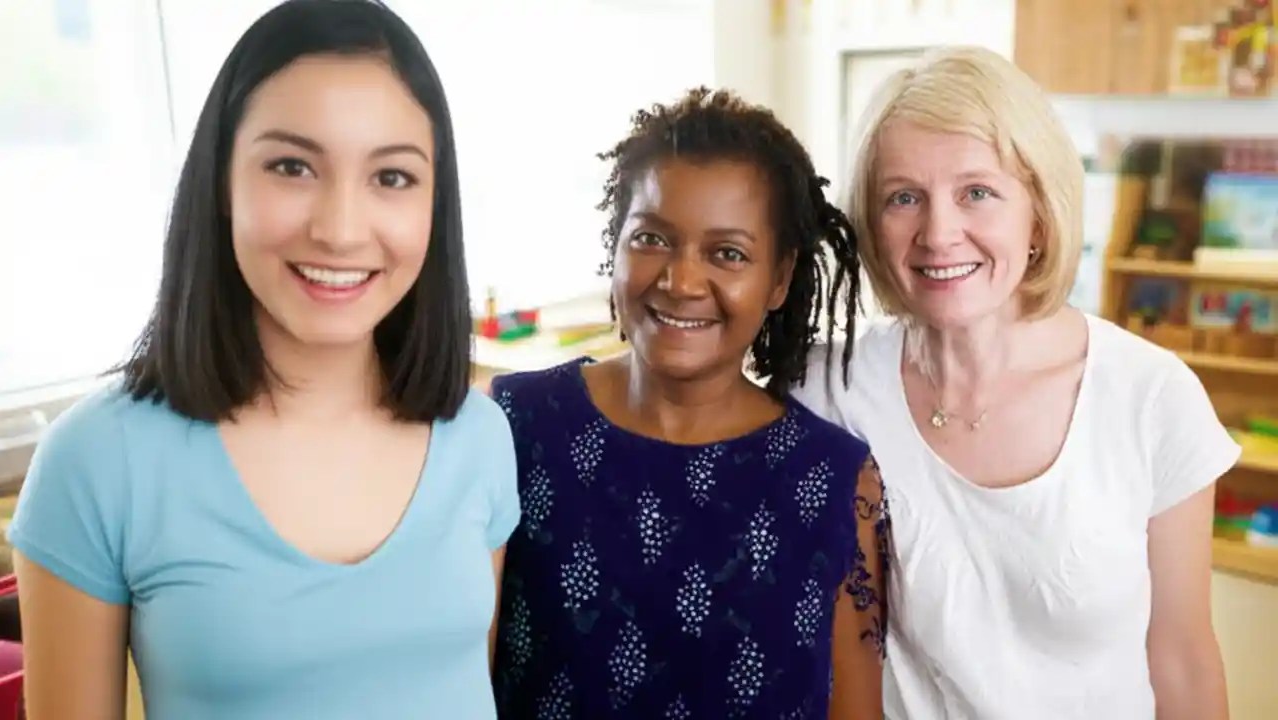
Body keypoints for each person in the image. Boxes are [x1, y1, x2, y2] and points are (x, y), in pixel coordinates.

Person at [7, 2, 519, 718]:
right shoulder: (98, 461)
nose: (340, 230)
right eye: (292, 166)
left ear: (437, 201)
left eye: (392, 177)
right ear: (221, 181)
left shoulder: (478, 436)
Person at [794, 46, 1237, 720]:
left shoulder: (1151, 397)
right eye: (904, 197)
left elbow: (1183, 660)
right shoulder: (832, 389)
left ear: (1037, 212)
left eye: (977, 191)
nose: (938, 233)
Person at [488, 87, 888, 719]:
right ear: (613, 245)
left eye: (727, 253)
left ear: (779, 279)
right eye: (651, 239)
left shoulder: (834, 478)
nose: (680, 281)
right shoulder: (515, 427)